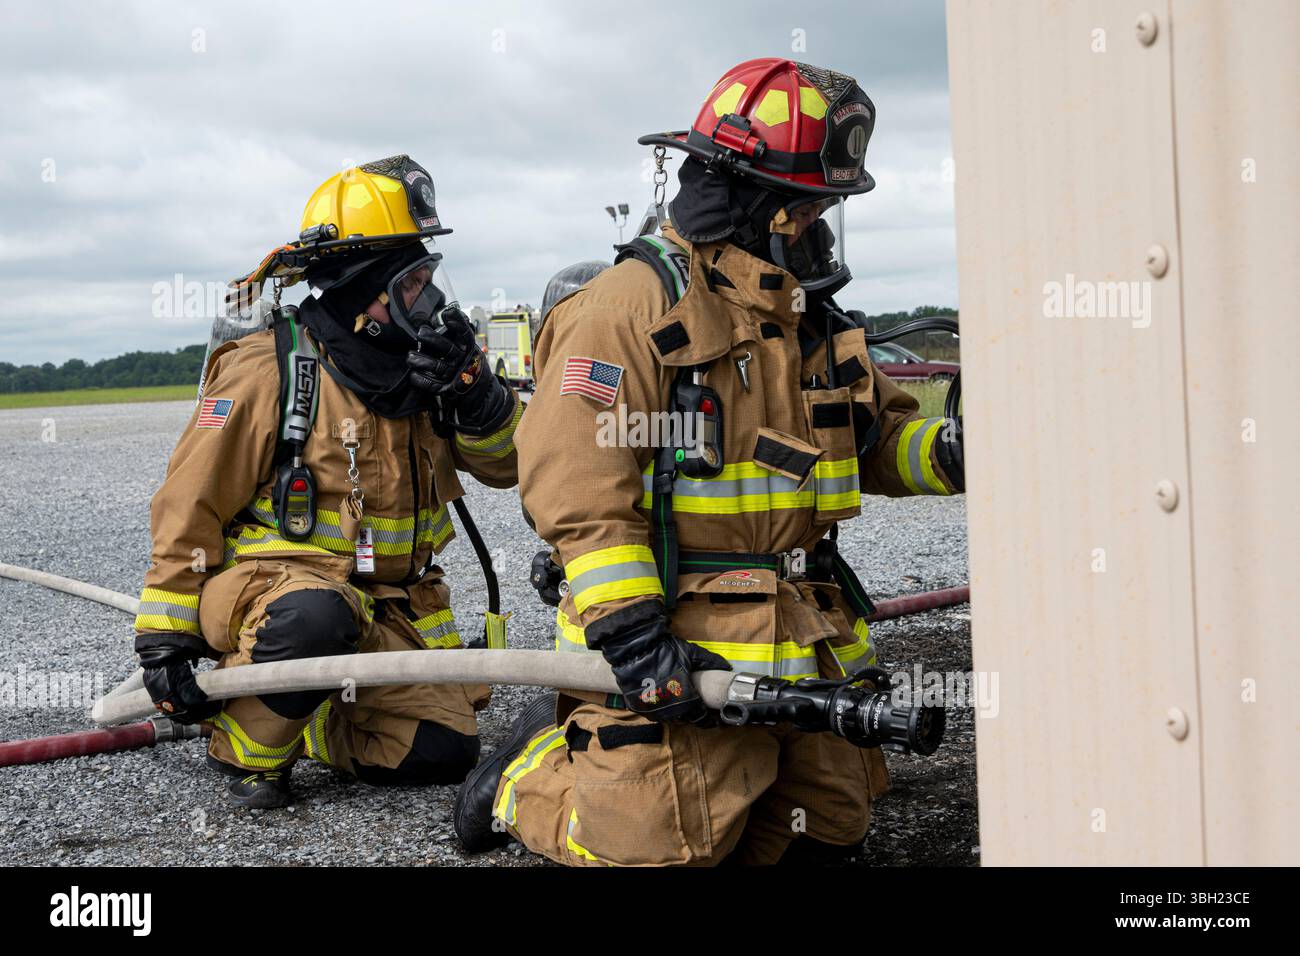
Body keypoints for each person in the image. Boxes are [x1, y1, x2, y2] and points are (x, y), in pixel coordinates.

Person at [455, 59, 964, 865]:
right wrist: (631, 635)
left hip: (798, 636)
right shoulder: (627, 310)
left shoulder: (806, 315)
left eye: (822, 207)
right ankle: (530, 777)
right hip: (681, 640)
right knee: (665, 852)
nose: (813, 226)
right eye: (802, 207)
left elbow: (873, 441)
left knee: (828, 836)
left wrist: (950, 450)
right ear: (744, 198)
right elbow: (578, 493)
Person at [134, 155, 522, 808]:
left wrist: (481, 399)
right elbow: (187, 503)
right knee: (316, 616)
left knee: (442, 754)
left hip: (387, 608)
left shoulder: (425, 374)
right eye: (410, 286)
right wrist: (162, 637)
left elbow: (508, 467)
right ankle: (248, 751)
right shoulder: (269, 371)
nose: (428, 303)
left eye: (430, 280)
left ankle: (318, 717)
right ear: (355, 291)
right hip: (279, 596)